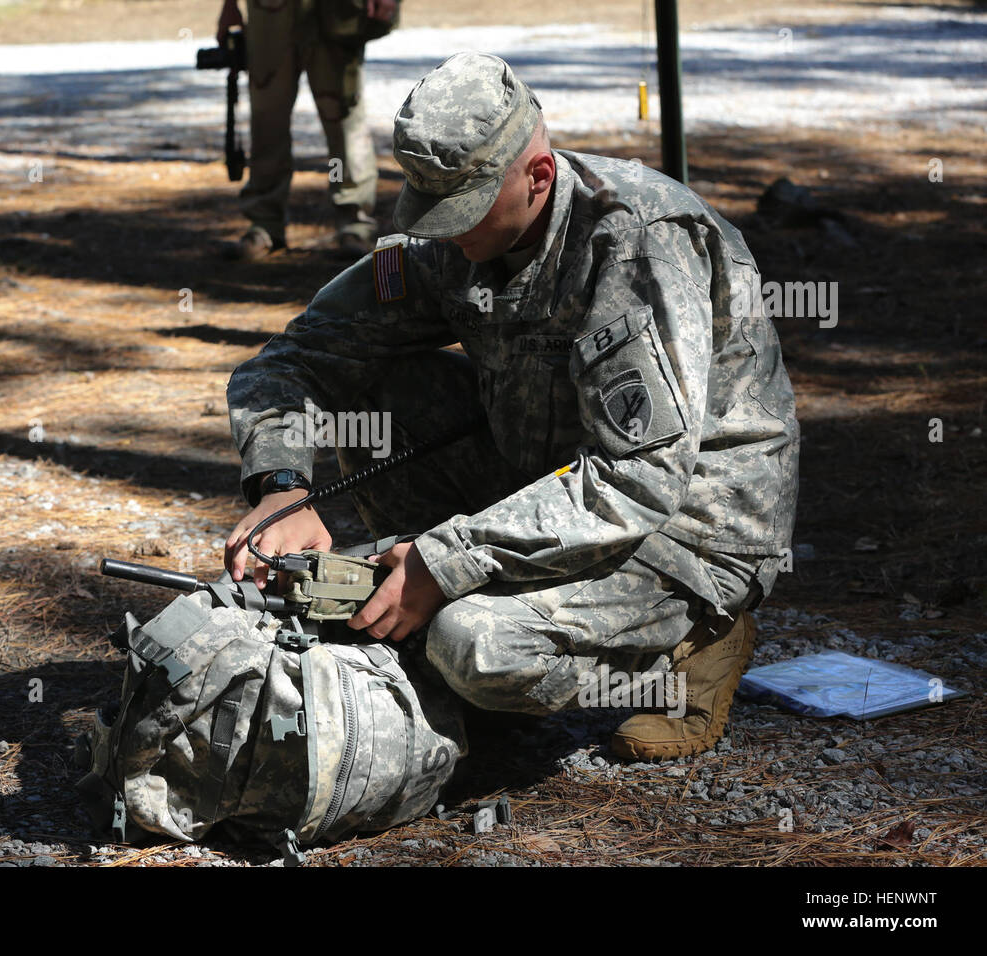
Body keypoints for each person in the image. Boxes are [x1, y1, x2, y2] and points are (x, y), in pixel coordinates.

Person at [223, 52, 800, 760]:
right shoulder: (452, 240)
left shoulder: (637, 246)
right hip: (548, 478)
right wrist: (284, 489)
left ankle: (694, 639)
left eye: (463, 210)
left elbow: (639, 479)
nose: (446, 232)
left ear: (538, 175)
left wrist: (447, 561)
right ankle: (424, 620)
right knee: (373, 385)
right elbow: (299, 357)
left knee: (475, 647)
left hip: (687, 527)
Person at [217, 0, 397, 260]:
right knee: (267, 119)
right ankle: (265, 225)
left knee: (344, 118)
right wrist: (229, 5)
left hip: (335, 12)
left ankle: (354, 224)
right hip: (269, 14)